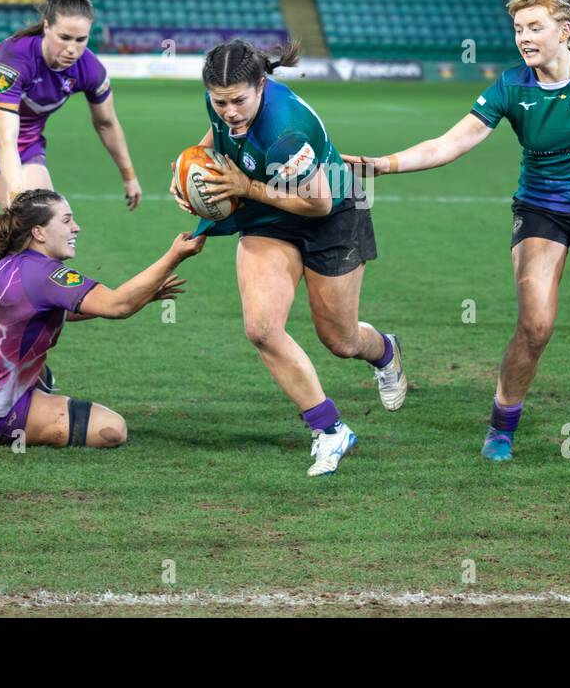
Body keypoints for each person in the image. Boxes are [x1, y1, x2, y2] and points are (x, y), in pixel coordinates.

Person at [343, 0, 570, 461]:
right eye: (518, 29)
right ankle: (502, 425)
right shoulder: (511, 86)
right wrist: (382, 164)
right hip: (539, 211)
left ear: (565, 30)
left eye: (535, 27)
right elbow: (448, 144)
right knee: (535, 325)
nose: (524, 37)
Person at [168, 39, 406, 477]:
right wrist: (191, 172)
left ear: (262, 84)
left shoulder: (285, 131)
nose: (229, 111)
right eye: (220, 102)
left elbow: (317, 202)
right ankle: (330, 428)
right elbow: (215, 140)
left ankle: (384, 350)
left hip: (329, 211)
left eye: (239, 100)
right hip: (266, 214)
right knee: (261, 327)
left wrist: (245, 189)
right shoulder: (220, 103)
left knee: (340, 340)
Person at [0, 0, 145, 397]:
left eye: (81, 39)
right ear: (46, 26)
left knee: (42, 250)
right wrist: (20, 202)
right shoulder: (13, 58)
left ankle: (20, 353)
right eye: (64, 37)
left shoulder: (88, 67)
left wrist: (128, 174)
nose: (72, 48)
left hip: (25, 148)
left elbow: (106, 122)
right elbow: (3, 137)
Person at [0, 189, 203, 448]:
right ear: (39, 232)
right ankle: (13, 416)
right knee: (111, 429)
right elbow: (118, 305)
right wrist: (175, 255)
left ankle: (29, 397)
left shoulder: (13, 259)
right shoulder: (43, 275)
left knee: (40, 372)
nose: (76, 228)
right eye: (67, 220)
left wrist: (142, 296)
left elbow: (61, 309)